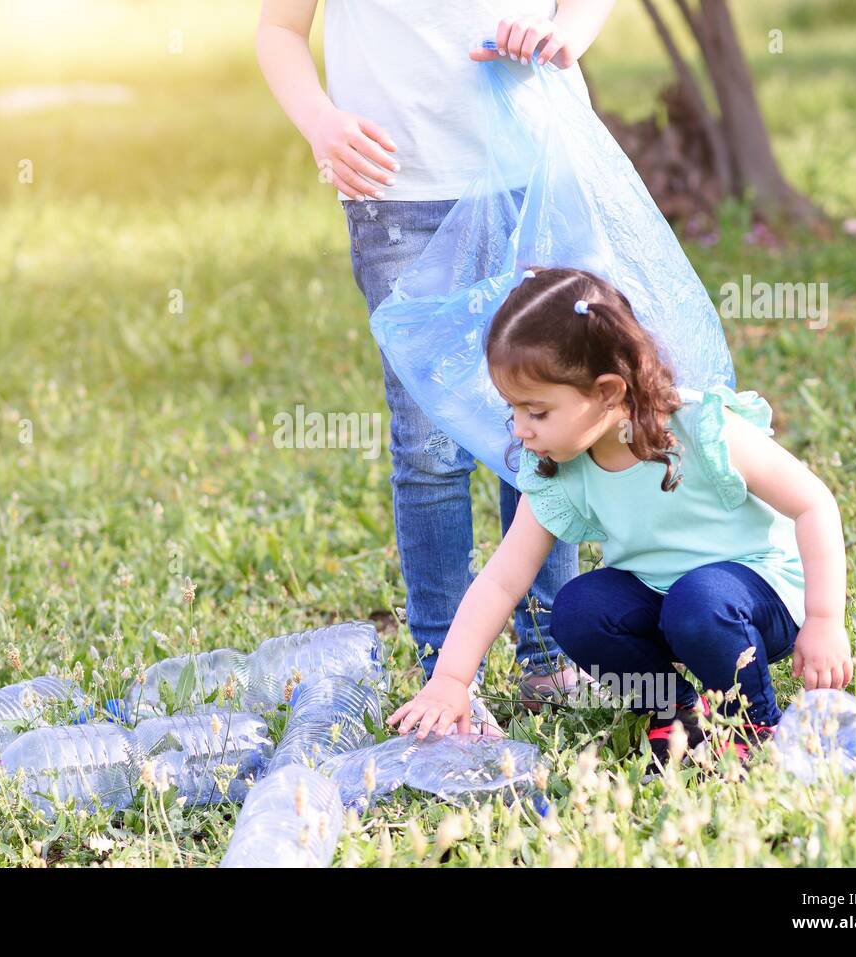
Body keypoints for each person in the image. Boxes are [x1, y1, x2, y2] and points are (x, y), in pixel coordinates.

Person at [256, 1, 620, 725]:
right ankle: (446, 670)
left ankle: (547, 659)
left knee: (545, 425)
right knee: (429, 448)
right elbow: (278, 30)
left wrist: (564, 35)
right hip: (400, 195)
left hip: (533, 168)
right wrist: (322, 124)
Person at [387, 267, 853, 772]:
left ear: (608, 391)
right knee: (579, 609)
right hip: (668, 601)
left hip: (755, 599)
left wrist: (825, 621)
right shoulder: (560, 467)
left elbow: (814, 504)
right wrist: (451, 679)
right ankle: (673, 716)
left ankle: (751, 725)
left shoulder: (701, 430)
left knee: (698, 599)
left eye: (537, 412)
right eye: (513, 410)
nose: (520, 429)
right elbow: (502, 581)